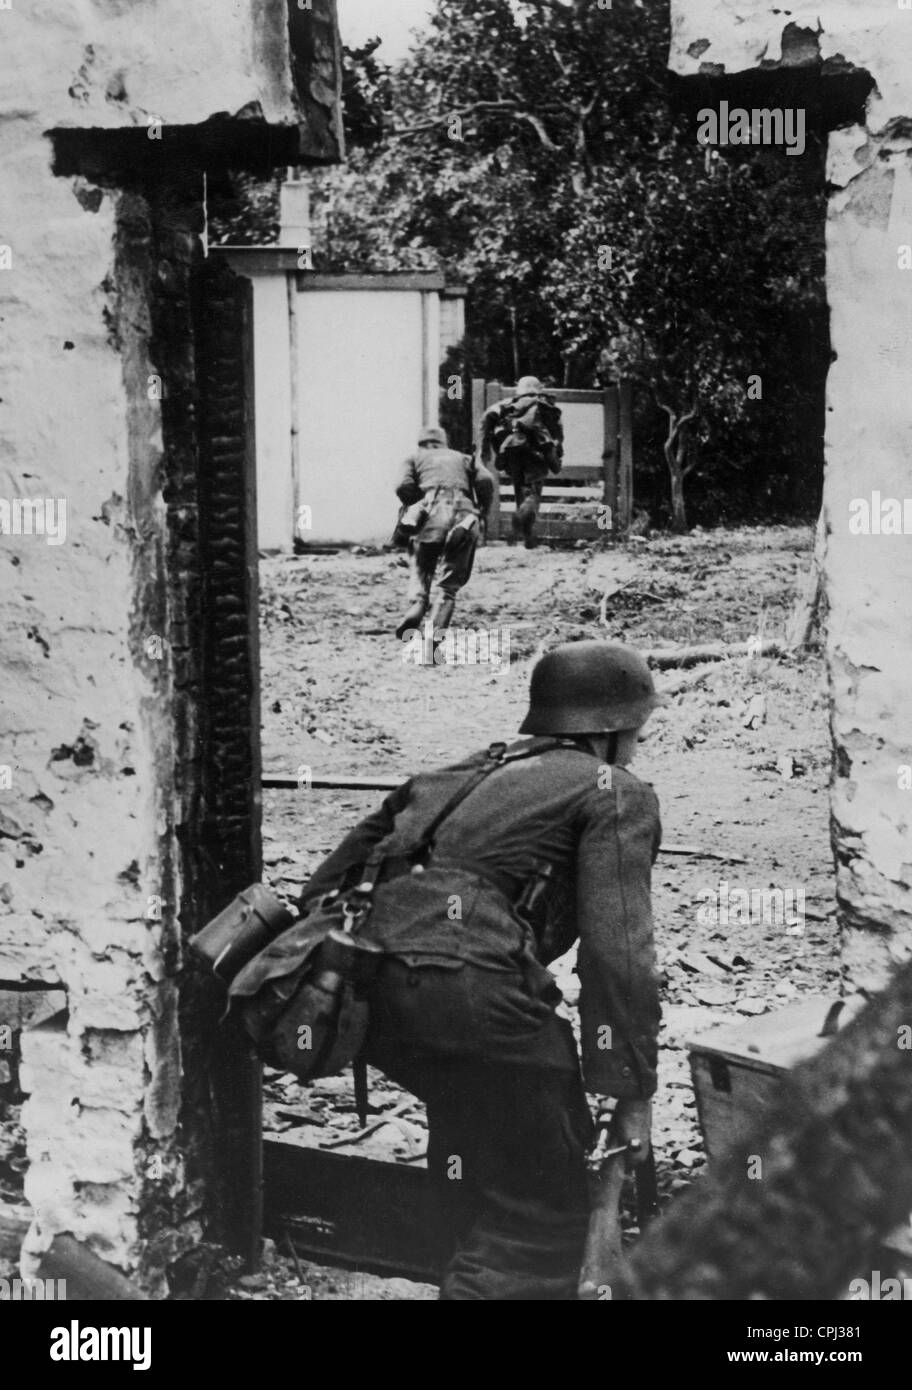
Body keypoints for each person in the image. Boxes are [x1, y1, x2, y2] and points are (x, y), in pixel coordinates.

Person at [296, 641, 663, 1300]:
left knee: (477, 1134)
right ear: (607, 732)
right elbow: (619, 956)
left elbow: (322, 890)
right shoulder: (614, 793)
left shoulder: (446, 777)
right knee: (543, 1209)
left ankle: (459, 1268)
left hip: (368, 995)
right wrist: (631, 1090)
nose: (635, 752)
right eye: (635, 737)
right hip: (476, 1001)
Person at [393, 425, 494, 642]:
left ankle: (418, 605)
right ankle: (433, 641)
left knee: (422, 565)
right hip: (464, 516)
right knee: (448, 587)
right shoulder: (465, 458)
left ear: (421, 444)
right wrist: (482, 509)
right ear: (444, 443)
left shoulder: (413, 458)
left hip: (429, 515)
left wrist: (417, 503)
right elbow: (485, 481)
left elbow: (402, 485)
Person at [481, 375, 563, 548]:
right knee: (533, 493)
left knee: (520, 490)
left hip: (512, 451)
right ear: (537, 389)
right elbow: (557, 432)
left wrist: (485, 446)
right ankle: (520, 520)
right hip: (536, 453)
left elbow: (488, 415)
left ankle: (528, 537)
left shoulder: (508, 405)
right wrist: (556, 452)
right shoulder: (545, 405)